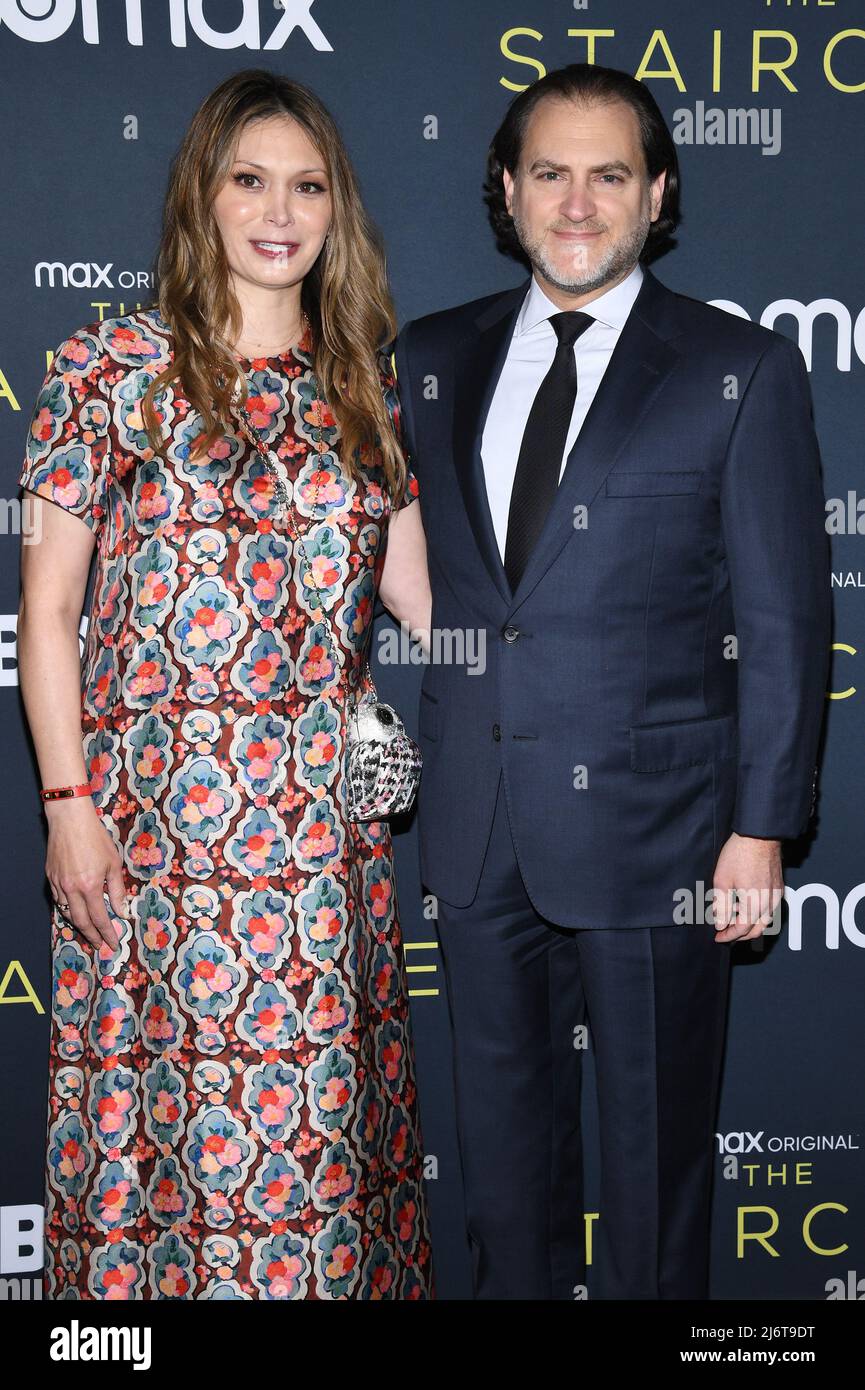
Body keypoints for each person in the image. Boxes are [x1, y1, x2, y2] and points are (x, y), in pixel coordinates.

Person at [393, 63, 831, 1300]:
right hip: (477, 828)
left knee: (651, 1181)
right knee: (501, 1178)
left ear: (657, 195)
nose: (575, 203)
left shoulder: (735, 369)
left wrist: (761, 828)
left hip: (663, 840)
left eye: (608, 174)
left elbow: (786, 618)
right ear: (506, 190)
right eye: (548, 172)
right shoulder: (429, 358)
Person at [18, 68, 434, 1301]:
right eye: (249, 179)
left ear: (336, 210)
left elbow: (423, 600)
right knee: (163, 1156)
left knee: (313, 1167)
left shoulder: (361, 383)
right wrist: (66, 802)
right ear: (202, 194)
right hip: (150, 837)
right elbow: (46, 614)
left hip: (317, 857)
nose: (279, 210)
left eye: (308, 186)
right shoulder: (107, 368)